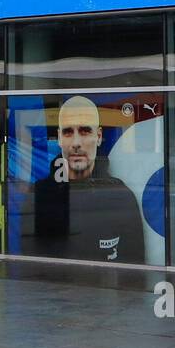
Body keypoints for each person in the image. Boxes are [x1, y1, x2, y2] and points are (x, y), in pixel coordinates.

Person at [33, 95, 145, 263]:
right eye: (68, 132)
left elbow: (135, 267)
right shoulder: (41, 194)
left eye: (85, 131)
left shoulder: (122, 197)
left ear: (99, 137)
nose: (76, 142)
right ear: (59, 139)